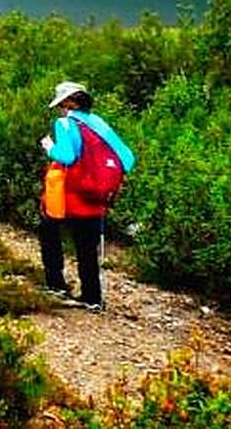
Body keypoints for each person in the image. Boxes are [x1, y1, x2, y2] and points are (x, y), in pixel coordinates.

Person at [39, 80, 135, 312]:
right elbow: (128, 158)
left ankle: (56, 284)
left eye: (62, 104)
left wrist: (49, 147)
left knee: (48, 230)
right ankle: (92, 297)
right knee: (87, 247)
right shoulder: (99, 123)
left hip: (73, 194)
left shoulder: (64, 123)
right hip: (98, 196)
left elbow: (67, 156)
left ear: (70, 102)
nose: (61, 109)